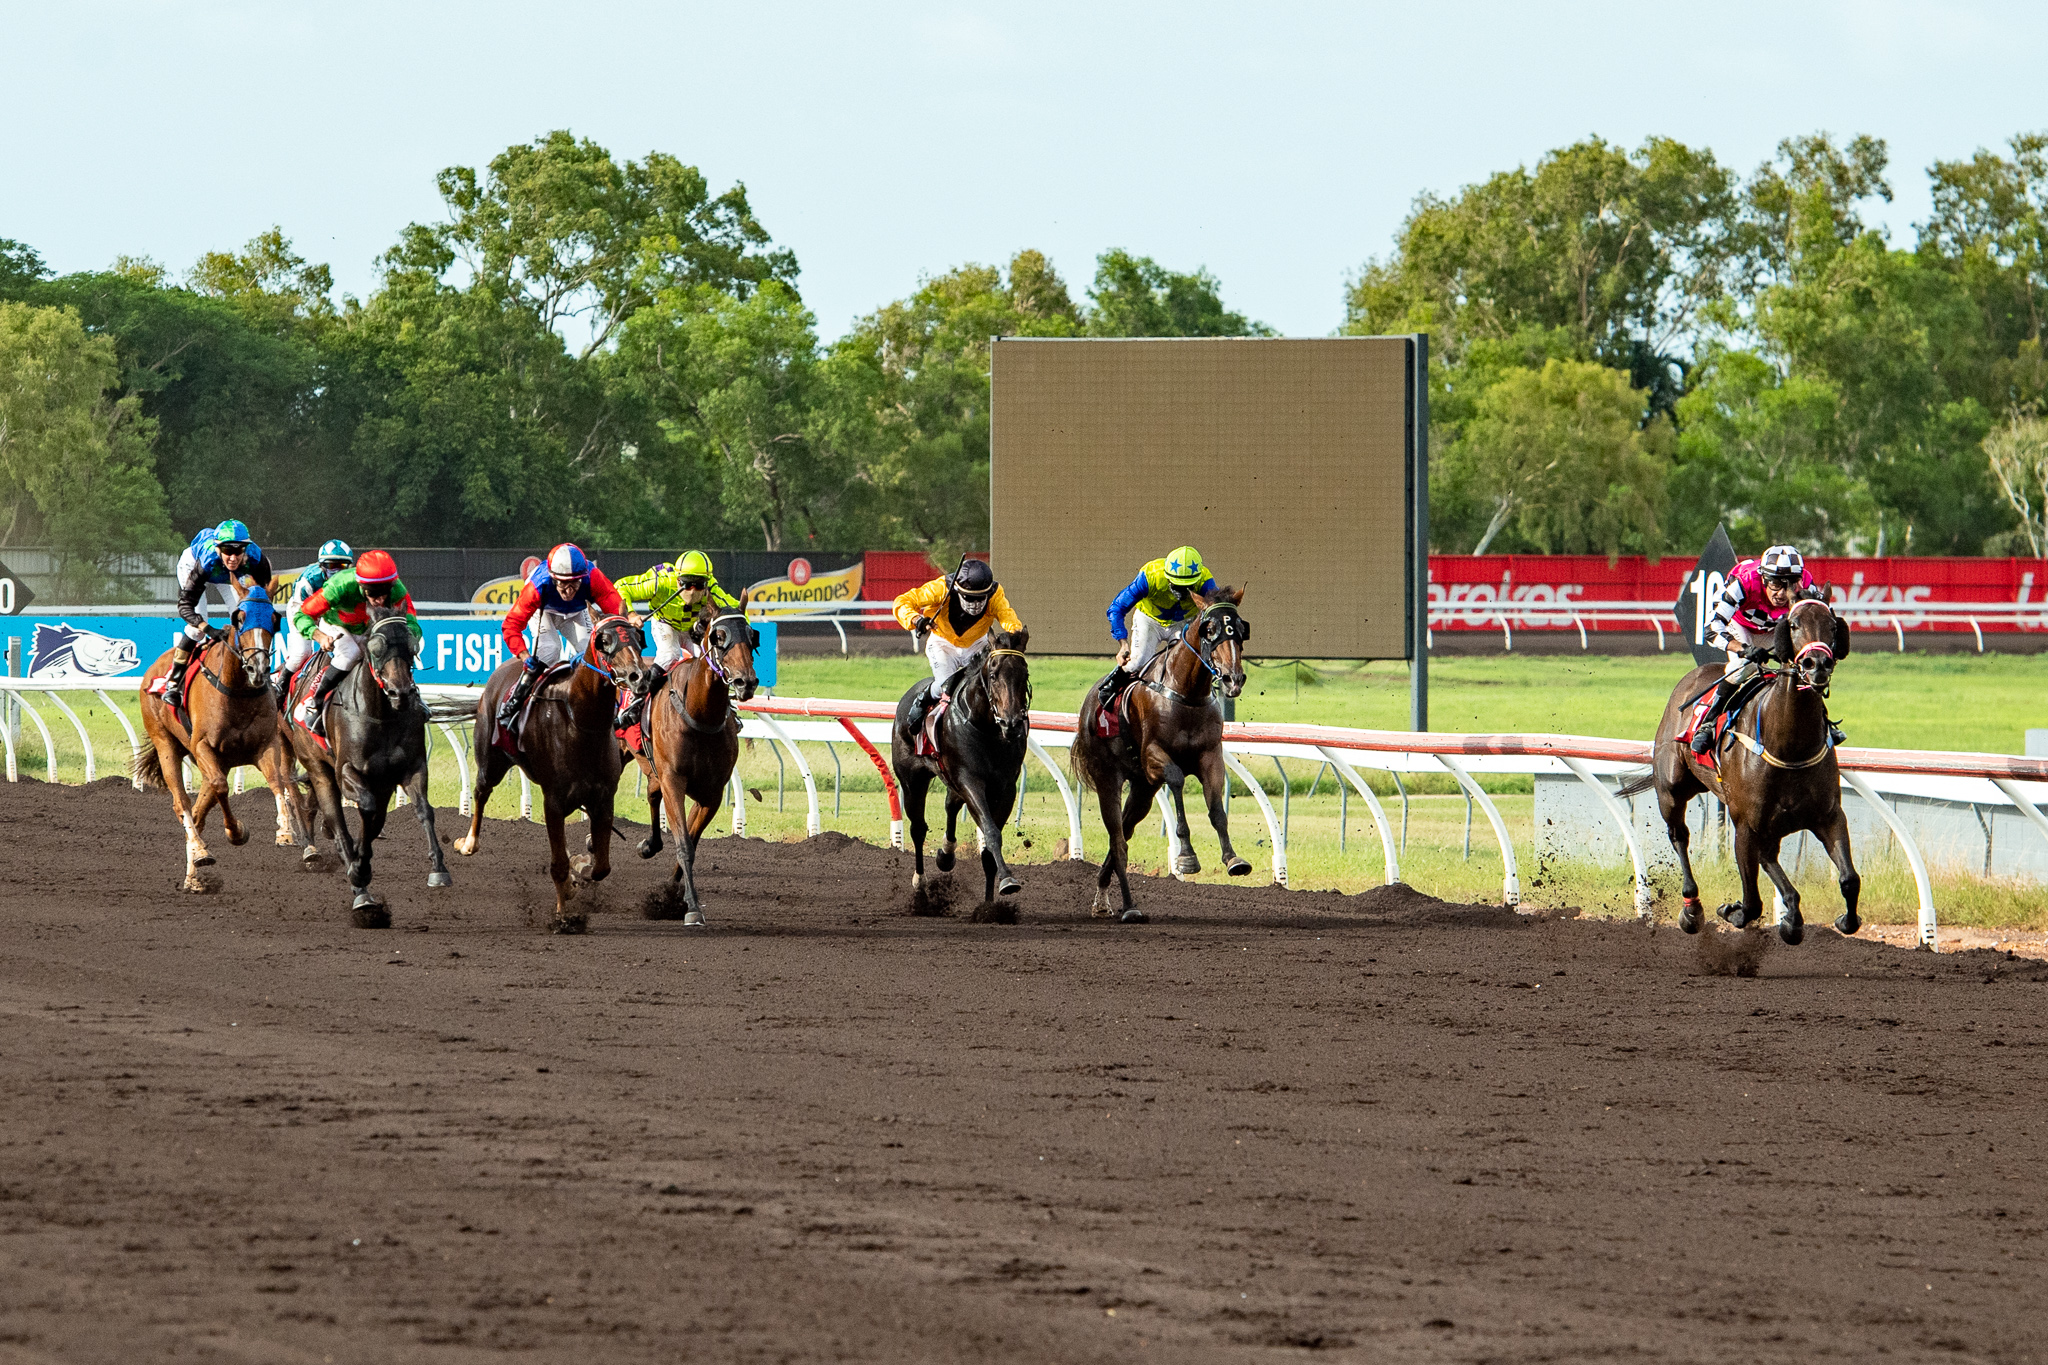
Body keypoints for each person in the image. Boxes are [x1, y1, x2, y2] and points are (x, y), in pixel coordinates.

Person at [1690, 544, 1837, 755]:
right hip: (1740, 624)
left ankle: (1824, 721)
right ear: (1763, 578)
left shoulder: (1806, 585)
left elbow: (1818, 621)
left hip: (1777, 627)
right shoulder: (1743, 582)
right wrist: (1744, 649)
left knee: (1810, 664)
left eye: (1791, 583)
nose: (1783, 593)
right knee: (1743, 667)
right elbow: (1712, 628)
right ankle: (1708, 721)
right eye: (1775, 583)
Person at [290, 550, 421, 734]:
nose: (381, 599)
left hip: (368, 627)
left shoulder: (397, 588)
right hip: (336, 624)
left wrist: (410, 638)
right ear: (361, 585)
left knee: (391, 648)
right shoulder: (340, 586)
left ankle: (412, 696)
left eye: (385, 593)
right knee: (352, 653)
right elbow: (302, 614)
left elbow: (412, 620)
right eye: (374, 593)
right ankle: (315, 702)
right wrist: (319, 635)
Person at [496, 544, 624, 727]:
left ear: (583, 577)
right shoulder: (537, 585)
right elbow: (511, 625)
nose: (569, 590)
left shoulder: (594, 577)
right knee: (550, 649)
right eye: (563, 584)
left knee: (593, 651)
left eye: (575, 583)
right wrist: (524, 656)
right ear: (553, 579)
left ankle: (609, 706)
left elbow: (615, 611)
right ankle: (513, 703)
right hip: (544, 611)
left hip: (577, 612)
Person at [893, 555, 1024, 734]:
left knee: (989, 687)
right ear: (957, 588)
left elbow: (1007, 616)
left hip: (978, 645)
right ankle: (923, 699)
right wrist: (916, 619)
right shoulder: (940, 588)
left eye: (981, 598)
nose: (976, 604)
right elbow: (902, 601)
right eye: (969, 598)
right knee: (946, 687)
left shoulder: (995, 593)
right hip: (943, 643)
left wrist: (1015, 633)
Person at [612, 550, 739, 728]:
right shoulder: (660, 580)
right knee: (669, 654)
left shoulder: (713, 589)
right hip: (665, 623)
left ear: (708, 582)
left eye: (699, 585)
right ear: (678, 579)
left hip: (690, 630)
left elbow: (738, 609)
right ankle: (636, 702)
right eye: (687, 584)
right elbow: (621, 586)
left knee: (711, 660)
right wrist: (631, 614)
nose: (693, 590)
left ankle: (728, 708)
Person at [164, 519, 275, 710]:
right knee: (196, 630)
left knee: (244, 619)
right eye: (227, 551)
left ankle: (254, 669)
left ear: (246, 550)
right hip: (195, 566)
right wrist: (207, 628)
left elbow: (261, 606)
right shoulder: (206, 562)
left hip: (228, 575)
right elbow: (185, 606)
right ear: (218, 549)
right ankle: (174, 682)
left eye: (238, 551)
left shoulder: (258, 560)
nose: (232, 557)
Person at [1096, 545, 1218, 709]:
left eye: (1187, 587)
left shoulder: (1206, 582)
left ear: (1197, 579)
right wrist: (1123, 644)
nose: (1181, 593)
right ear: (1167, 577)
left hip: (1182, 623)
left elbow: (1218, 612)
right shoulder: (1150, 576)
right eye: (1177, 586)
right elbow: (1117, 608)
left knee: (1186, 665)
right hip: (1149, 620)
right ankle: (1112, 686)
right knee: (1138, 662)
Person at [277, 538, 355, 705]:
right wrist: (318, 635)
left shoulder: (354, 580)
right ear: (322, 566)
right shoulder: (309, 580)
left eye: (341, 566)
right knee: (301, 653)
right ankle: (280, 686)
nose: (336, 571)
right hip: (302, 610)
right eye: (331, 566)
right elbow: (301, 614)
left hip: (330, 612)